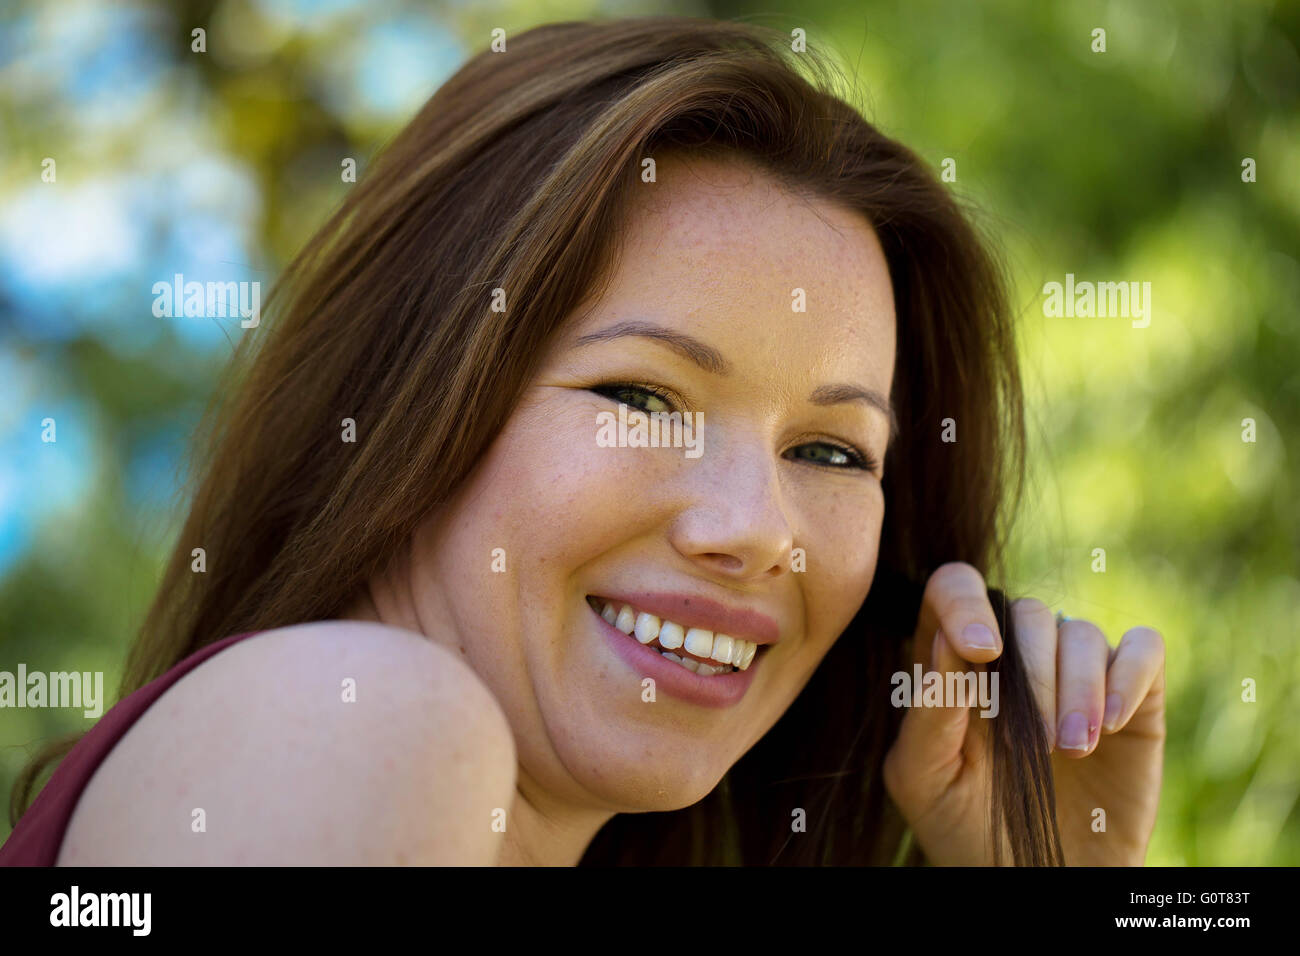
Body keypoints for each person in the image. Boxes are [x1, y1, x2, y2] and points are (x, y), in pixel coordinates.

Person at [4, 16, 1164, 866]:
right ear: (414, 396)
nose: (756, 530)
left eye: (831, 452)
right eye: (641, 396)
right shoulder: (365, 717)